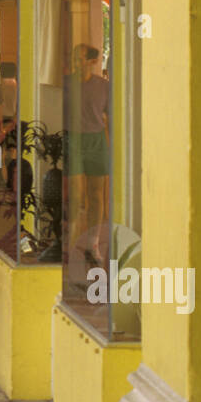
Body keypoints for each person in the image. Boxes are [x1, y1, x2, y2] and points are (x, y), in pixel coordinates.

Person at [63, 44, 109, 265]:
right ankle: (71, 243)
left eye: (80, 58)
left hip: (97, 139)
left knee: (96, 194)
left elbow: (111, 117)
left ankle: (93, 243)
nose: (76, 63)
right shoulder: (67, 84)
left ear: (92, 62)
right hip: (74, 139)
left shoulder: (103, 86)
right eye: (74, 58)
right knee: (76, 192)